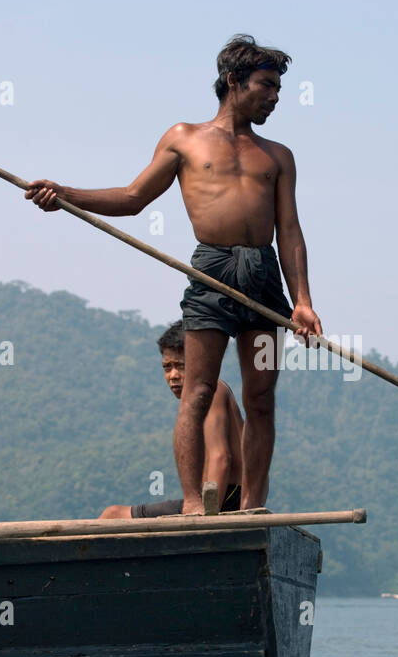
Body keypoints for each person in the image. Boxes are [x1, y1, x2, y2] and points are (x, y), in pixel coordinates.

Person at [26, 34, 322, 514]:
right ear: (234, 81)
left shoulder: (278, 156)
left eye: (279, 89)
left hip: (264, 278)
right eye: (267, 85)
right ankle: (191, 501)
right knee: (198, 389)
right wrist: (66, 195)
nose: (275, 97)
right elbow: (132, 196)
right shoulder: (184, 138)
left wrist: (302, 300)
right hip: (212, 273)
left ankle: (251, 504)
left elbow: (289, 231)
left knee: (261, 395)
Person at [98, 322, 243, 519]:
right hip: (217, 500)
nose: (173, 376)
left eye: (180, 366)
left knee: (112, 515)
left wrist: (209, 519)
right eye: (167, 367)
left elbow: (221, 457)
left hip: (223, 501)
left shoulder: (213, 390)